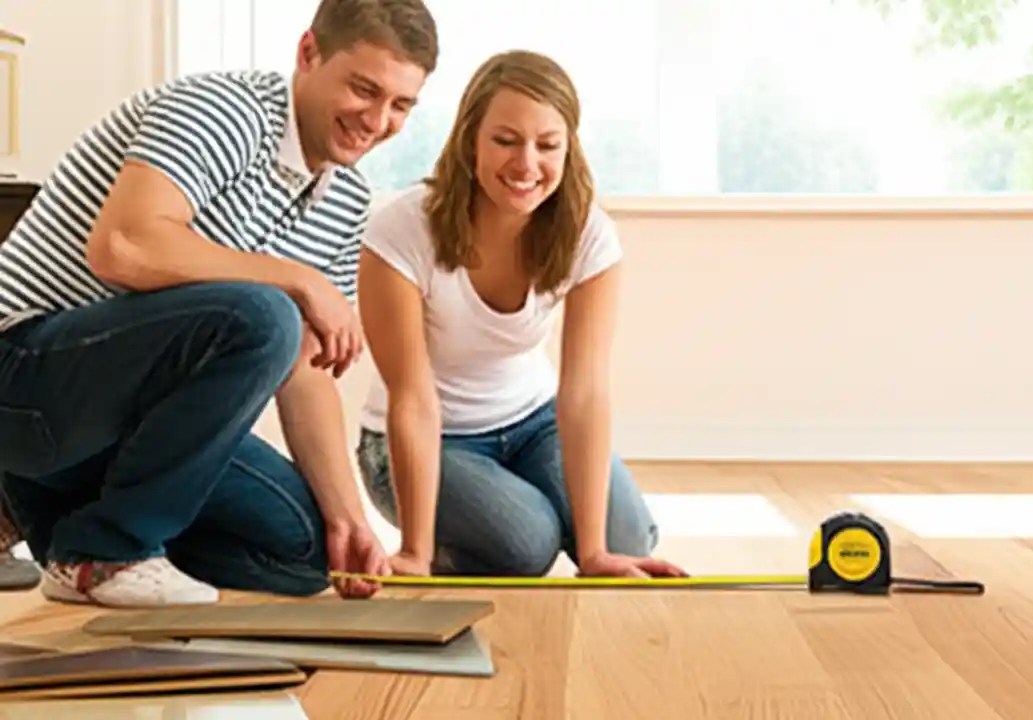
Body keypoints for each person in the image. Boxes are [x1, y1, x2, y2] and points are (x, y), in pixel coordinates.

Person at [0, 0, 437, 608]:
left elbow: (305, 374)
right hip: (22, 376)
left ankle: (77, 544)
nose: (378, 120)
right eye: (364, 89)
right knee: (264, 314)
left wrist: (351, 520)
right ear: (308, 53)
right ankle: (109, 549)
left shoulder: (346, 200)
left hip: (112, 437)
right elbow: (123, 244)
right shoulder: (223, 110)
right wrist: (300, 281)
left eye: (401, 105)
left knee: (306, 553)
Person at [355, 50, 687, 580]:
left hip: (534, 423)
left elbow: (583, 391)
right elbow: (413, 397)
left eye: (548, 145)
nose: (526, 165)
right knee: (525, 546)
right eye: (505, 141)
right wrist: (414, 553)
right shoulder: (402, 232)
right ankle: (457, 544)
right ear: (470, 141)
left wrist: (597, 551)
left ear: (569, 148)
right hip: (421, 438)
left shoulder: (588, 235)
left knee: (629, 539)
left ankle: (531, 522)